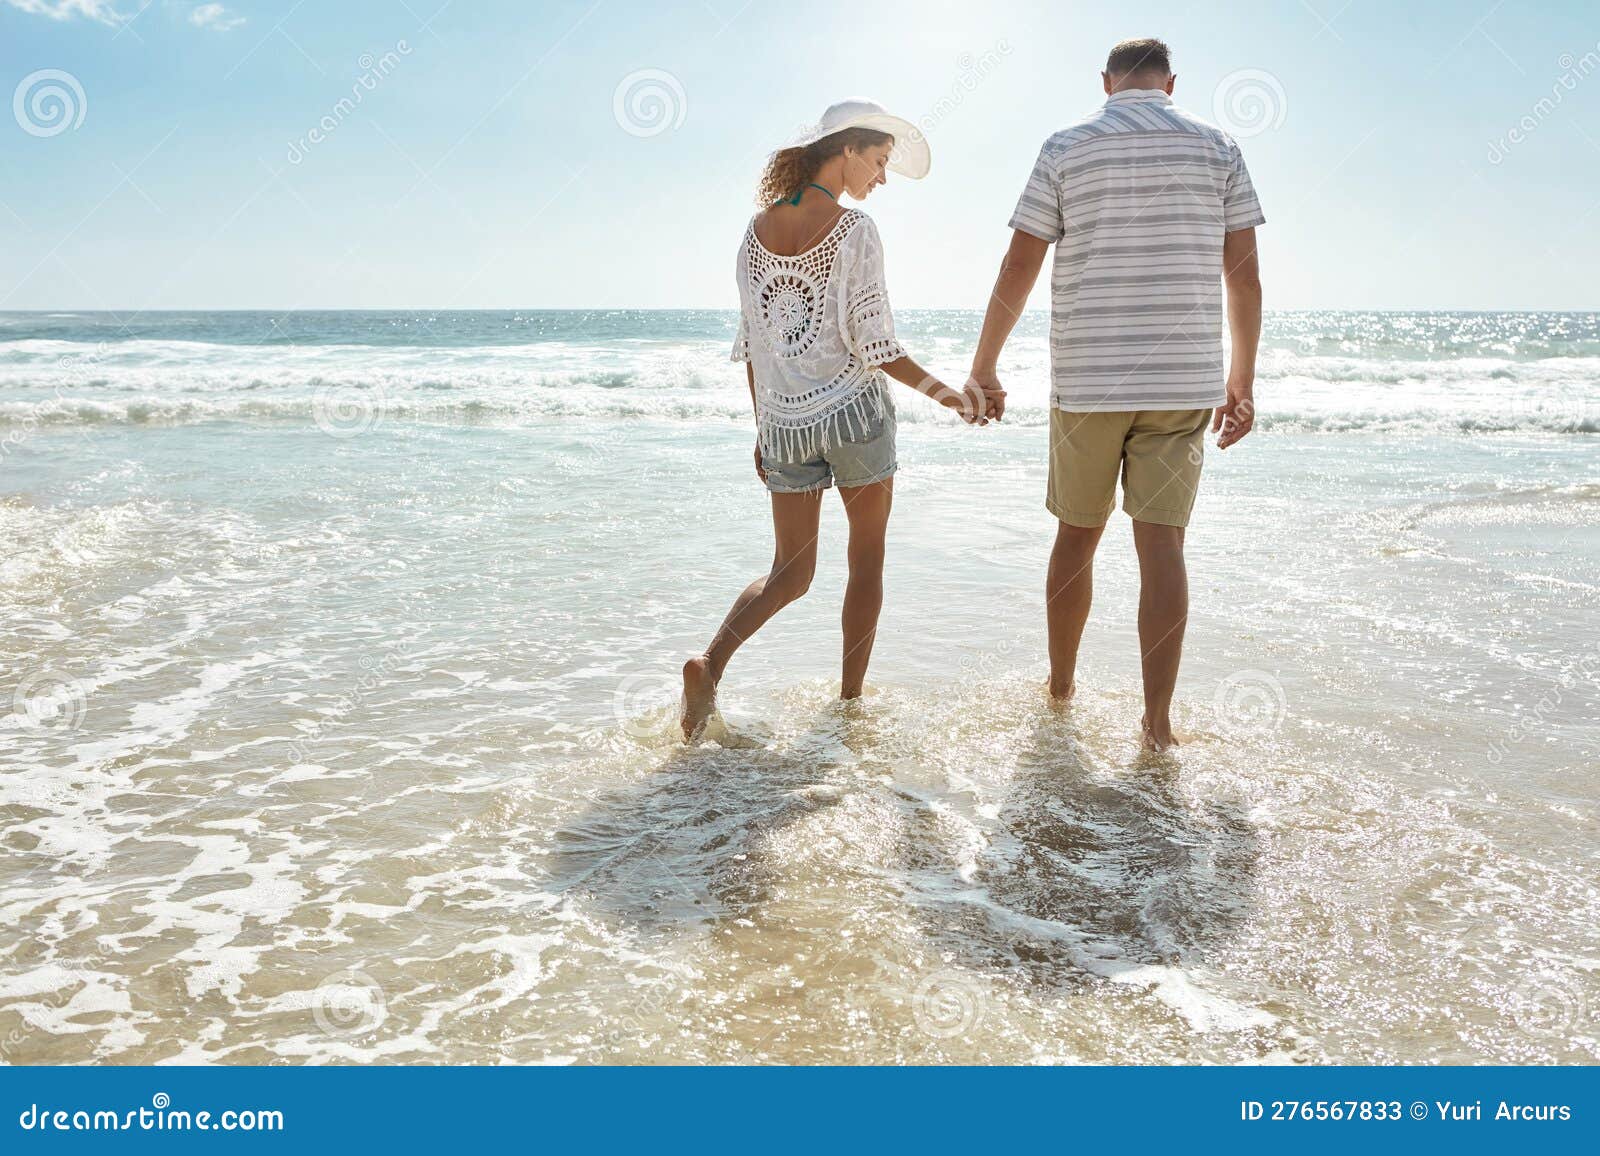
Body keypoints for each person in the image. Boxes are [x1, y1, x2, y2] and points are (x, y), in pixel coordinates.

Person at [967, 38, 1265, 751]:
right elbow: (1245, 276)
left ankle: (1062, 688)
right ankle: (1157, 724)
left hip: (1089, 379)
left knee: (1076, 536)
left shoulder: (1066, 147)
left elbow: (1019, 263)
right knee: (1162, 546)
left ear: (1107, 83)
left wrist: (984, 365)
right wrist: (1242, 380)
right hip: (1182, 381)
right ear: (1171, 82)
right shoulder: (1218, 146)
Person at [681, 99, 997, 740]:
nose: (880, 180)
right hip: (854, 418)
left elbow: (757, 346)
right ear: (846, 150)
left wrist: (764, 430)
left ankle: (709, 665)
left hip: (787, 428)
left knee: (788, 574)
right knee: (867, 562)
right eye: (878, 162)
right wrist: (952, 397)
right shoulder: (855, 232)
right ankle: (850, 706)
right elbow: (876, 345)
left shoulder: (755, 232)